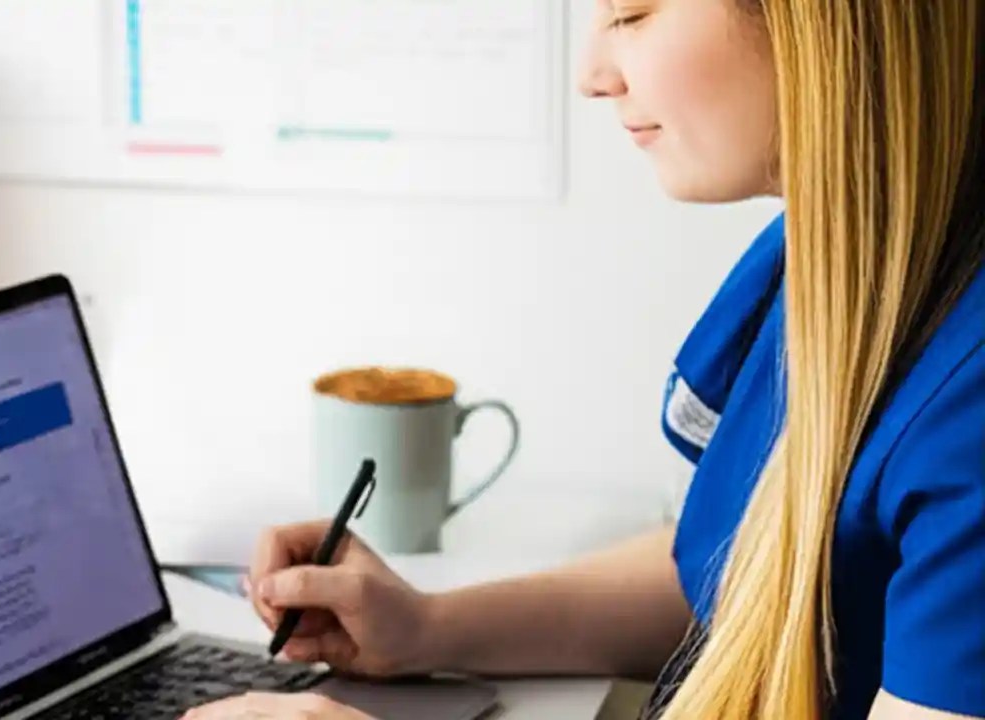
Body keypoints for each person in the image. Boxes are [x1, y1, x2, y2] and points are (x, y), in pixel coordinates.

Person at [185, 0, 985, 717]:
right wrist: (429, 629)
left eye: (632, 14)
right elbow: (738, 573)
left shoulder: (970, 397)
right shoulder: (827, 263)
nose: (592, 76)